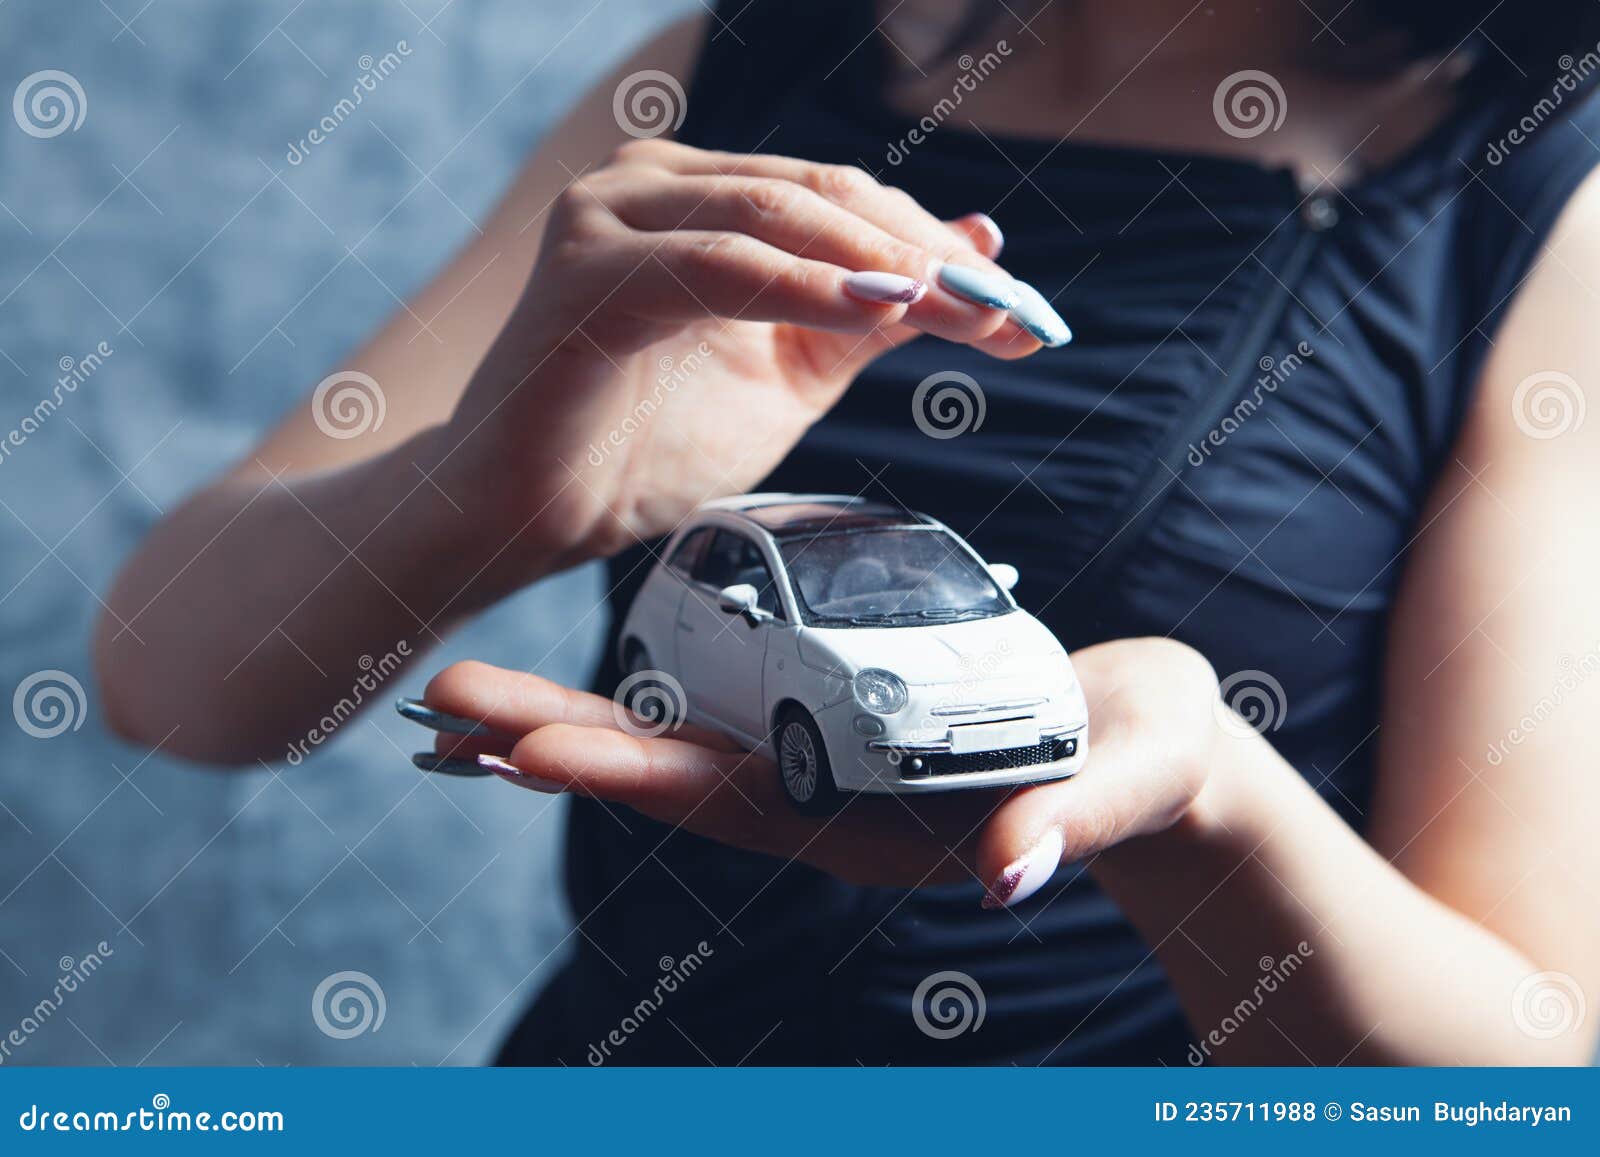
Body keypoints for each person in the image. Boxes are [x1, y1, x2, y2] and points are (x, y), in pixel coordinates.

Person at [96, 0, 1600, 1064]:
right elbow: (173, 681)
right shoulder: (743, 59)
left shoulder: (1531, 188)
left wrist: (1205, 795)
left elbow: (1519, 1061)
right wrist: (483, 495)